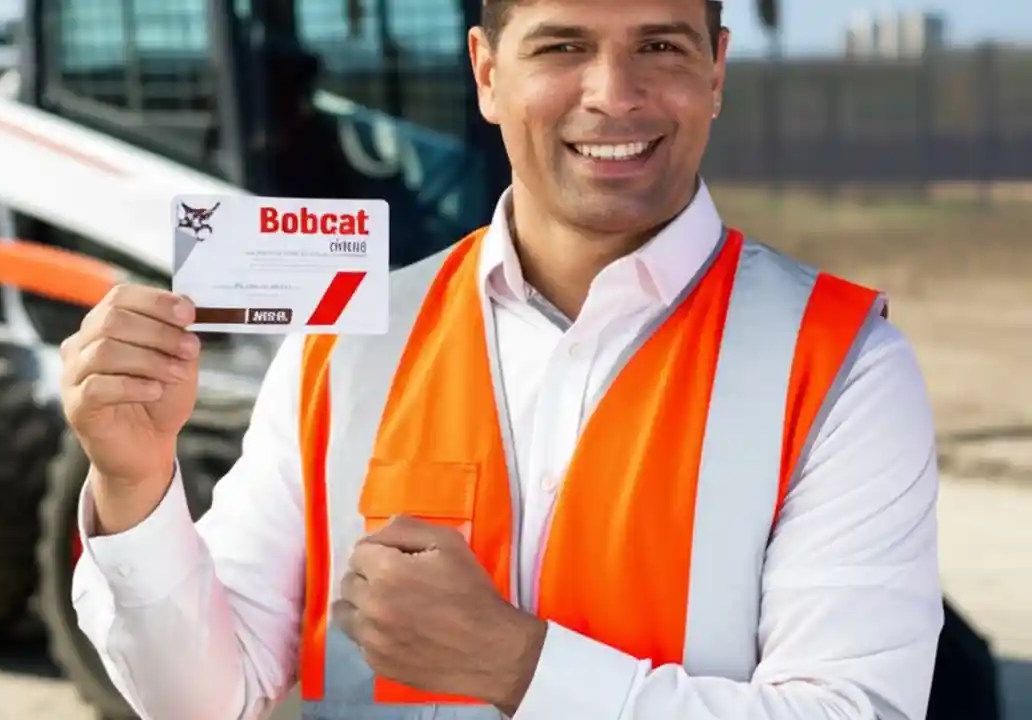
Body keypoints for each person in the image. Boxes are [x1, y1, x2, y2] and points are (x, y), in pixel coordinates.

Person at [58, 0, 944, 718]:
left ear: (716, 70)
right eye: (562, 44)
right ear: (486, 72)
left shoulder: (841, 366)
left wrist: (518, 666)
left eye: (659, 46)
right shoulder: (343, 343)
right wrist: (137, 490)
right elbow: (207, 702)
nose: (614, 93)